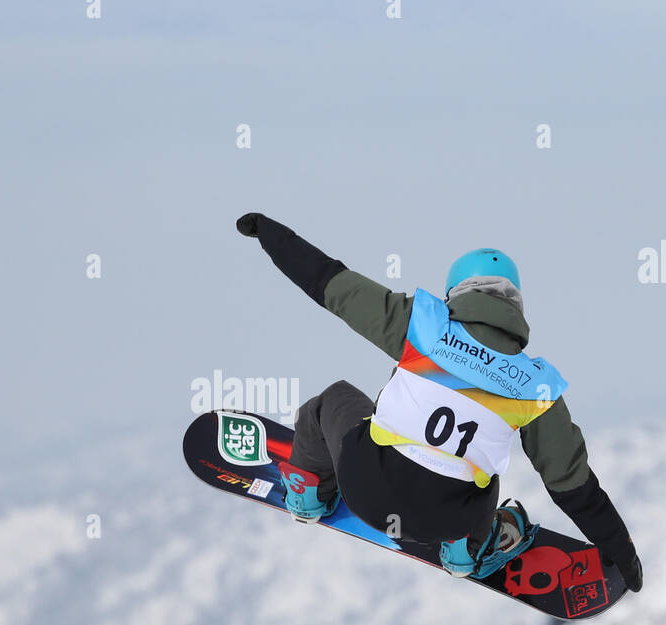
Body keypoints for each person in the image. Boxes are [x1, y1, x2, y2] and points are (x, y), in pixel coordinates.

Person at [235, 212, 643, 590]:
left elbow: (330, 283)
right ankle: (469, 549)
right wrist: (622, 551)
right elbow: (574, 488)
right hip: (447, 520)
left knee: (333, 400)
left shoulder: (423, 326)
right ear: (516, 307)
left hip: (363, 487)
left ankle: (309, 494)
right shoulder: (537, 387)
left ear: (457, 293)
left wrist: (271, 234)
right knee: (485, 468)